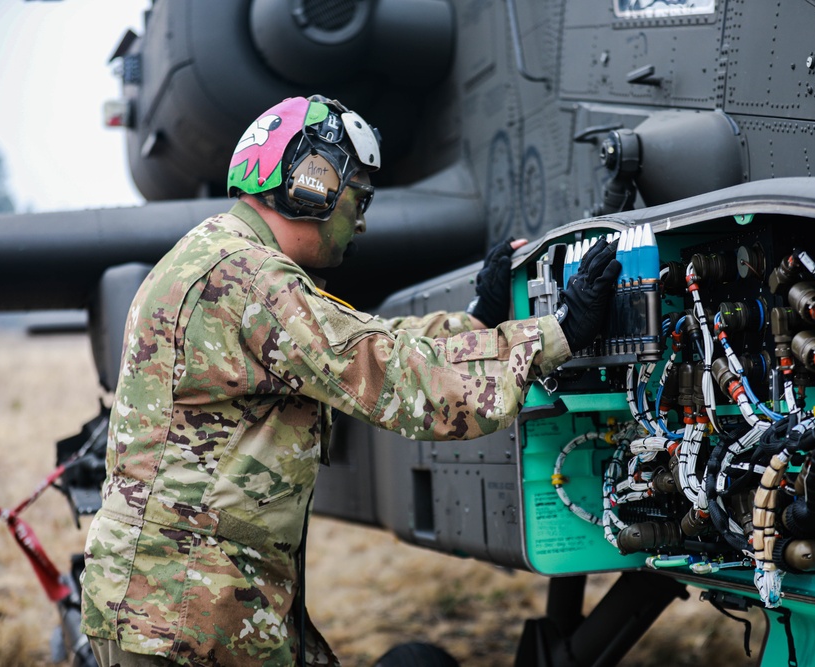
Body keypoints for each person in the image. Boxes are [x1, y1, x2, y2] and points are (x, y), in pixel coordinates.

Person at [80, 94, 620, 667]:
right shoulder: (253, 278)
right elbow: (392, 378)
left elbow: (355, 344)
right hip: (188, 614)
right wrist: (555, 335)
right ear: (309, 187)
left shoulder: (220, 257)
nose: (360, 221)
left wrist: (477, 318)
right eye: (357, 198)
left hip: (173, 603)